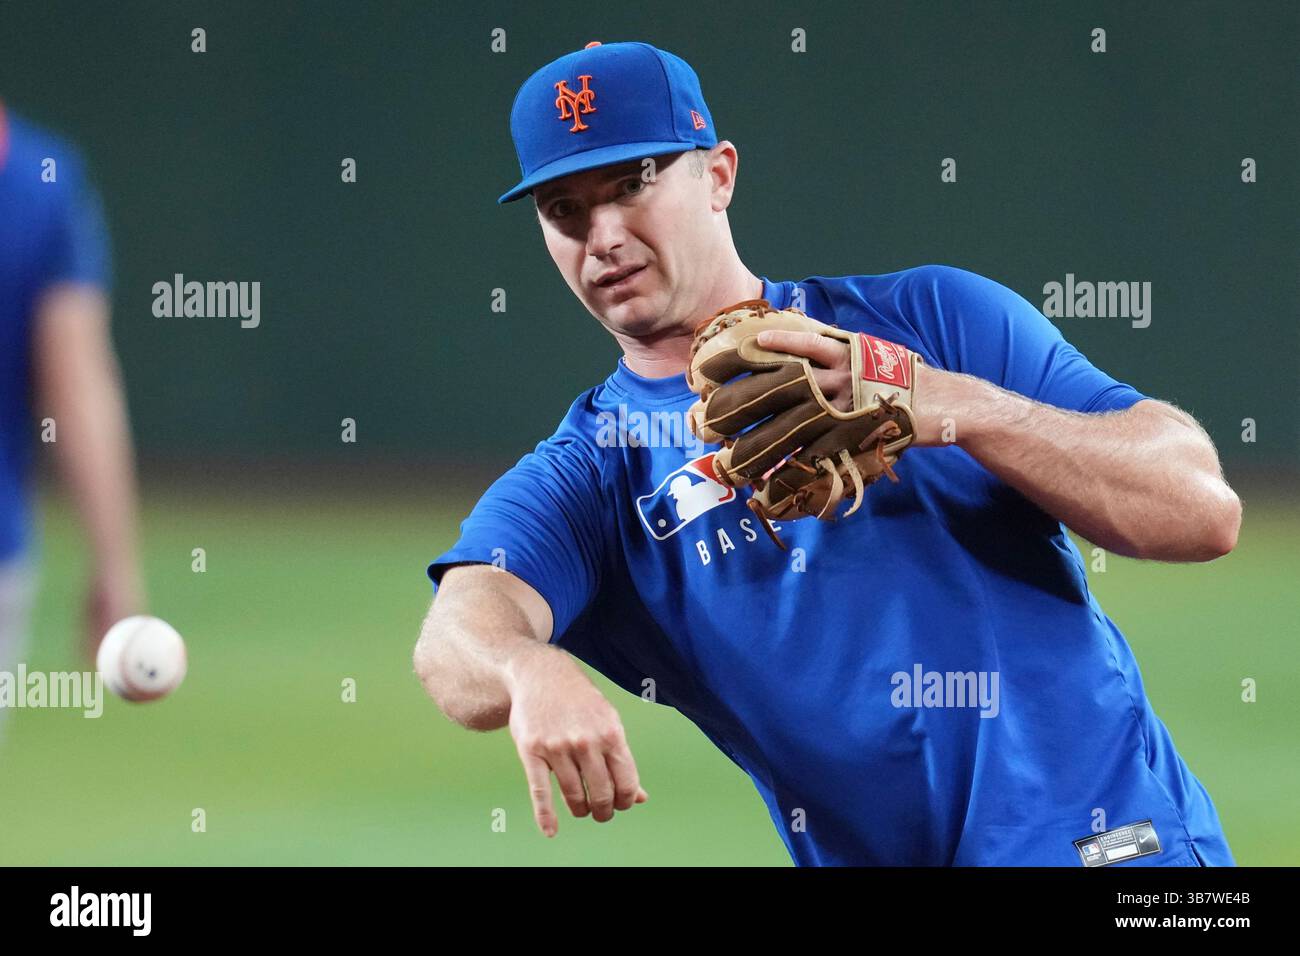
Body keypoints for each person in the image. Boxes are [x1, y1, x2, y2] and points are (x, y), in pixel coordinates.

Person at [413, 42, 1241, 866]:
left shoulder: (933, 319)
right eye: (564, 209)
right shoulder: (595, 470)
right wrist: (525, 669)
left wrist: (961, 408)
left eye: (632, 184)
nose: (603, 236)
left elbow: (1201, 509)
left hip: (1117, 850)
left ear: (719, 175)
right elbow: (455, 638)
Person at [0, 98, 145, 732]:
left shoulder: (39, 180)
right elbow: (77, 385)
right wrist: (113, 565)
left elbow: (76, 385)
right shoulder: (40, 175)